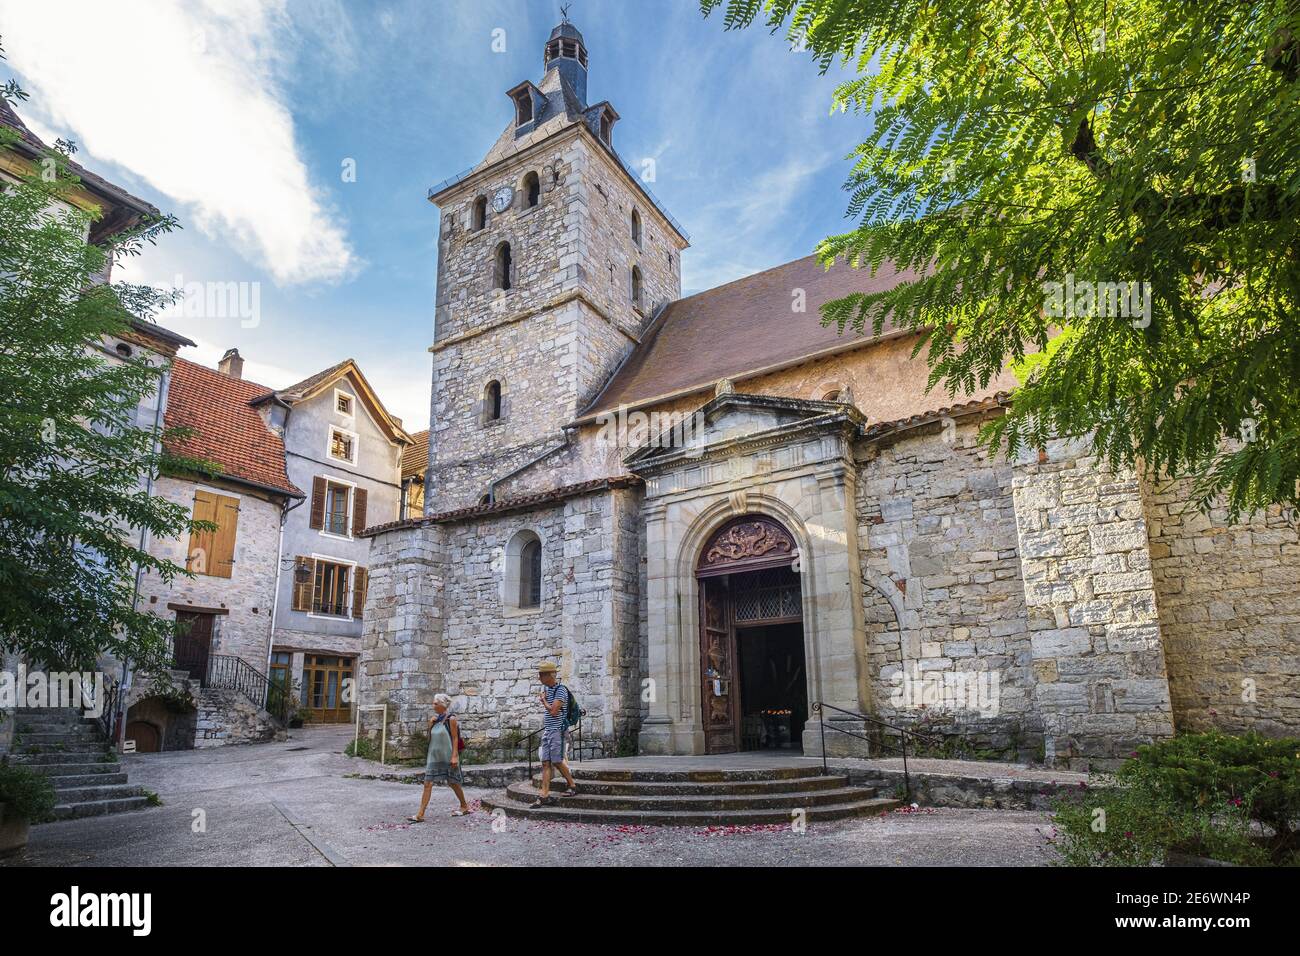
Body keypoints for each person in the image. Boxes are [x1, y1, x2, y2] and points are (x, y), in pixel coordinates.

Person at [408, 693, 470, 821]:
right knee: (427, 783)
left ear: (442, 705)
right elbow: (430, 738)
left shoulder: (451, 719)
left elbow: (454, 738)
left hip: (447, 756)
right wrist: (430, 725)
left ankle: (464, 806)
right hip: (433, 757)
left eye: (435, 703)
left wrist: (454, 756)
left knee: (453, 783)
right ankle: (420, 814)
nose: (433, 706)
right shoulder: (434, 720)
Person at [530, 661, 576, 807]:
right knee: (545, 763)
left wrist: (543, 700)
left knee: (556, 761)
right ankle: (544, 794)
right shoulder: (547, 689)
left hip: (558, 730)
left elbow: (554, 711)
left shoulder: (561, 690)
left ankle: (573, 785)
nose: (539, 677)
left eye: (542, 675)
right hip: (548, 730)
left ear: (550, 675)